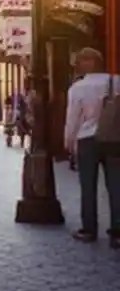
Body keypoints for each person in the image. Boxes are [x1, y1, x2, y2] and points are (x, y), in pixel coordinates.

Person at [62, 47, 120, 248]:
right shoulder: (116, 82)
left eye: (79, 62)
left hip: (87, 140)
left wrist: (69, 142)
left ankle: (89, 229)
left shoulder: (78, 88)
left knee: (88, 186)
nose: (77, 66)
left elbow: (72, 119)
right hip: (114, 139)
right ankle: (117, 232)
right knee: (116, 186)